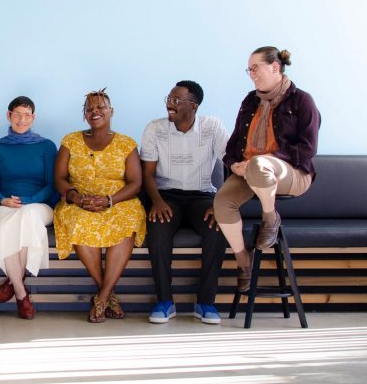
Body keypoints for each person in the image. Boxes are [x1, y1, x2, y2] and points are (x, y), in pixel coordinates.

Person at [215, 47, 321, 294]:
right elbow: (233, 145)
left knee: (260, 164)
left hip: (292, 173)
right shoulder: (250, 100)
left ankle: (270, 218)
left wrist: (261, 160)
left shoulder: (302, 100)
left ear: (275, 67)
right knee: (221, 201)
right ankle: (244, 263)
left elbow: (307, 149)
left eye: (255, 68)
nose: (251, 73)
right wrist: (234, 164)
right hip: (250, 171)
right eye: (248, 69)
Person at [53, 89, 146, 323]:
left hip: (119, 201)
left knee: (126, 223)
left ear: (111, 111)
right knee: (80, 222)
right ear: (84, 115)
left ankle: (102, 297)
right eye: (90, 109)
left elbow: (135, 183)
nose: (95, 112)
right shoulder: (70, 141)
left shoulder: (126, 144)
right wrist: (75, 197)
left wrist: (109, 200)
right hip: (79, 200)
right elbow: (59, 178)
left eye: (101, 107)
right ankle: (108, 294)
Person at [141, 81, 229, 325]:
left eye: (177, 99)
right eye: (169, 98)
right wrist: (156, 201)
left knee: (218, 227)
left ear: (193, 105)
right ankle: (164, 301)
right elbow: (147, 174)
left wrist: (221, 202)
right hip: (166, 195)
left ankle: (206, 302)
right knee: (157, 230)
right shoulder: (154, 128)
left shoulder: (212, 126)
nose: (170, 103)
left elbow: (234, 164)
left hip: (201, 195)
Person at [0, 96, 57, 320]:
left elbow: (52, 184)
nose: (22, 120)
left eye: (27, 115)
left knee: (25, 216)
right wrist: (3, 200)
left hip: (38, 205)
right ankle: (21, 293)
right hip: (4, 204)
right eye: (17, 114)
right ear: (9, 116)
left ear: (33, 118)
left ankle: (13, 283)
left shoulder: (46, 146)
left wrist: (30, 199)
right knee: (8, 222)